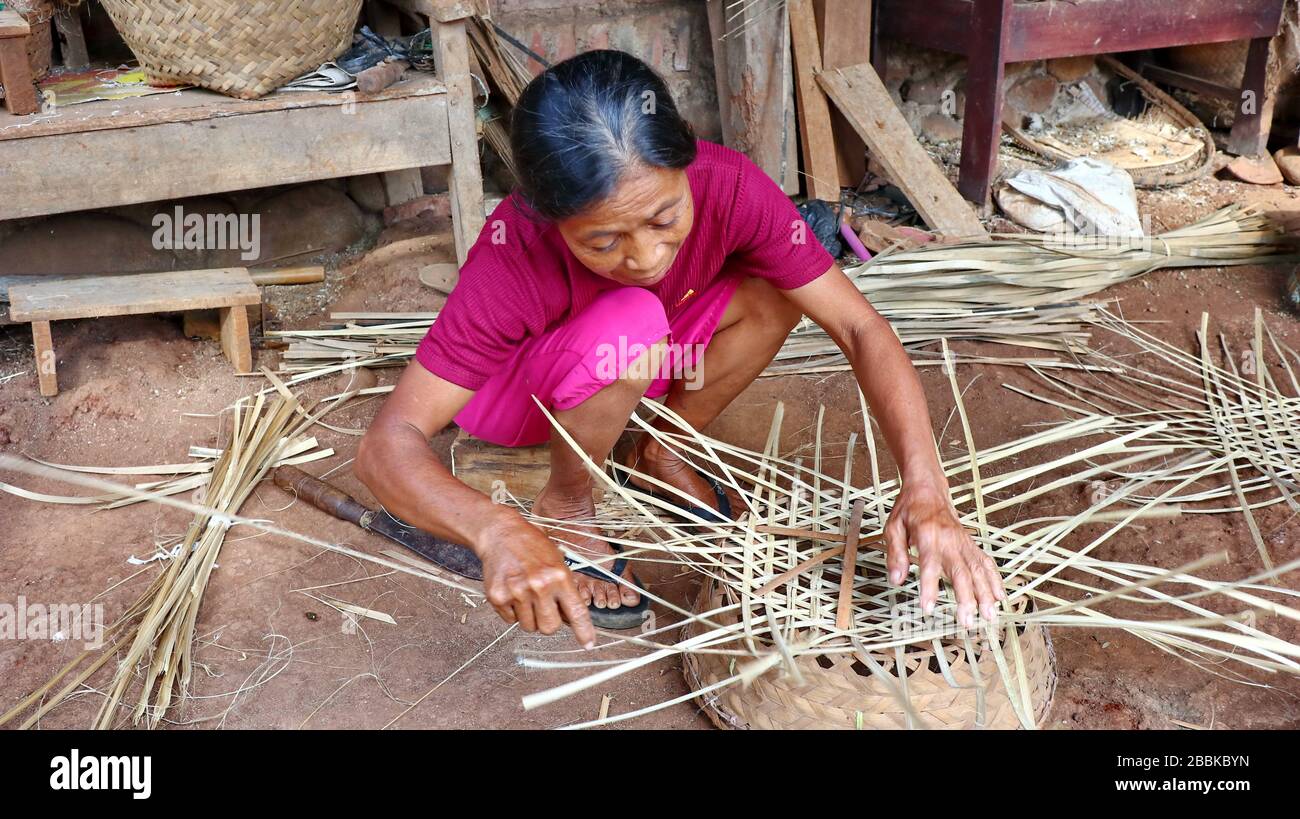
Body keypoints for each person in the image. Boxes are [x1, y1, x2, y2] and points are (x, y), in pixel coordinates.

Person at [356, 50, 1002, 648]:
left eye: (664, 219)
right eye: (603, 242)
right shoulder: (514, 249)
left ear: (686, 161)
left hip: (646, 354)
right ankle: (567, 504)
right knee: (635, 317)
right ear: (548, 216)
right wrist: (493, 528)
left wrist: (925, 486)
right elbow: (388, 443)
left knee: (776, 292)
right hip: (523, 394)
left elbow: (861, 328)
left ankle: (661, 445)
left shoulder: (733, 186)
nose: (644, 255)